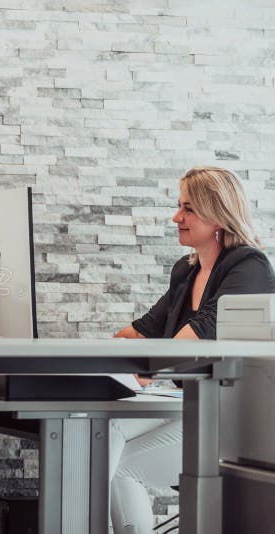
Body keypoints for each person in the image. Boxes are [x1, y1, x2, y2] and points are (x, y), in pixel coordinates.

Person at [110, 166, 275, 534]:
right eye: (178, 205)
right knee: (106, 426)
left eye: (188, 208)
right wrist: (112, 354)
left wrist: (148, 364)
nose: (176, 217)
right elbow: (140, 333)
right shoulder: (186, 271)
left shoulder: (248, 266)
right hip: (190, 406)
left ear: (217, 213)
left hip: (231, 422)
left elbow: (197, 337)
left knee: (125, 470)